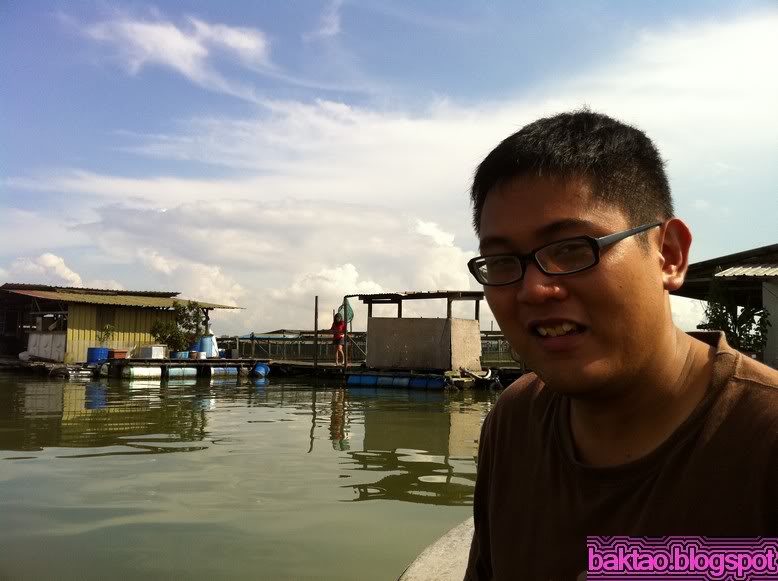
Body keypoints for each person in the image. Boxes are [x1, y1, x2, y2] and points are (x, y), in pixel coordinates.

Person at [463, 110, 778, 580]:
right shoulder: (515, 421)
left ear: (668, 254)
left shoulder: (762, 443)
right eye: (502, 262)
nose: (532, 290)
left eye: (572, 248)